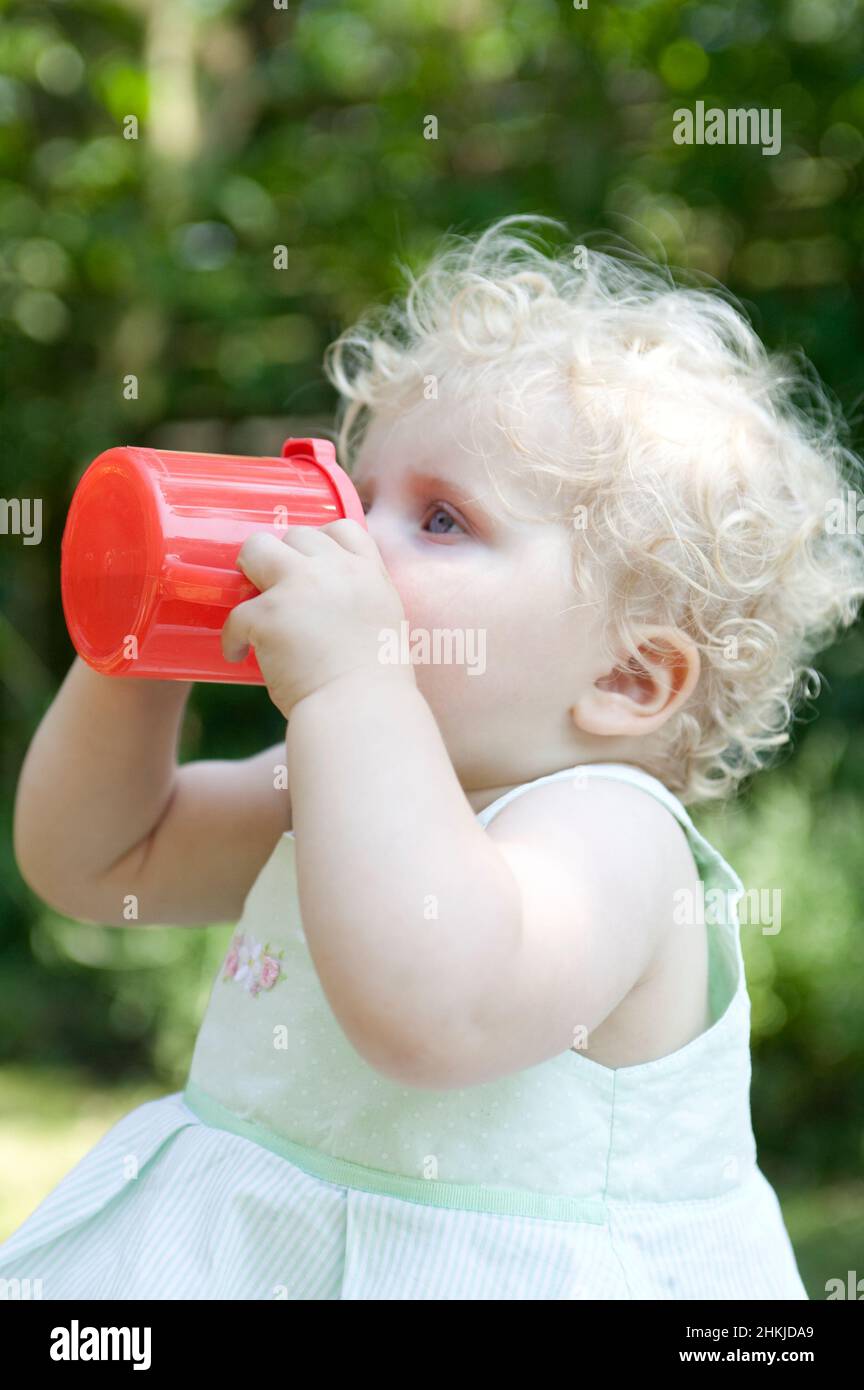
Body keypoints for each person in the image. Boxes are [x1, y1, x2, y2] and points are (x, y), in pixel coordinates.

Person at [3, 215, 862, 1300]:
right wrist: (145, 629)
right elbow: (101, 861)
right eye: (363, 498)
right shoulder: (341, 773)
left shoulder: (613, 833)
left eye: (443, 519)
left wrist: (354, 688)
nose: (356, 540)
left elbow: (438, 1010)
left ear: (627, 680)